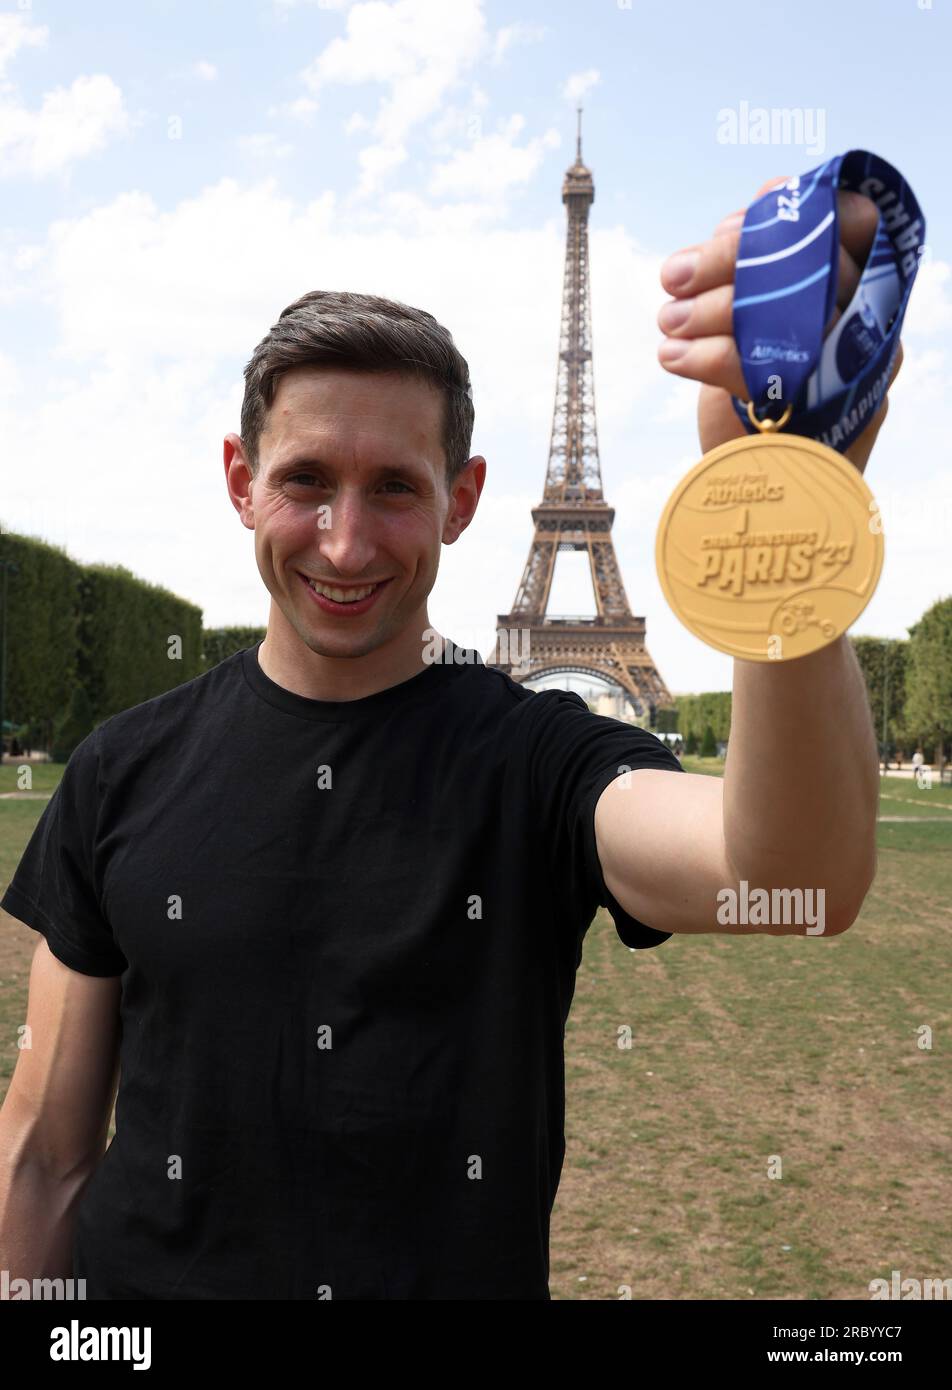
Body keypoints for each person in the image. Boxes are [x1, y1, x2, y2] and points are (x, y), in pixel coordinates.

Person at [0, 182, 894, 1301]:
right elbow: (45, 1154)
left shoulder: (540, 763)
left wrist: (783, 498)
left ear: (462, 500)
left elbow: (795, 881)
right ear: (241, 482)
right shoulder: (117, 769)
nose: (345, 541)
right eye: (305, 481)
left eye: (394, 488)